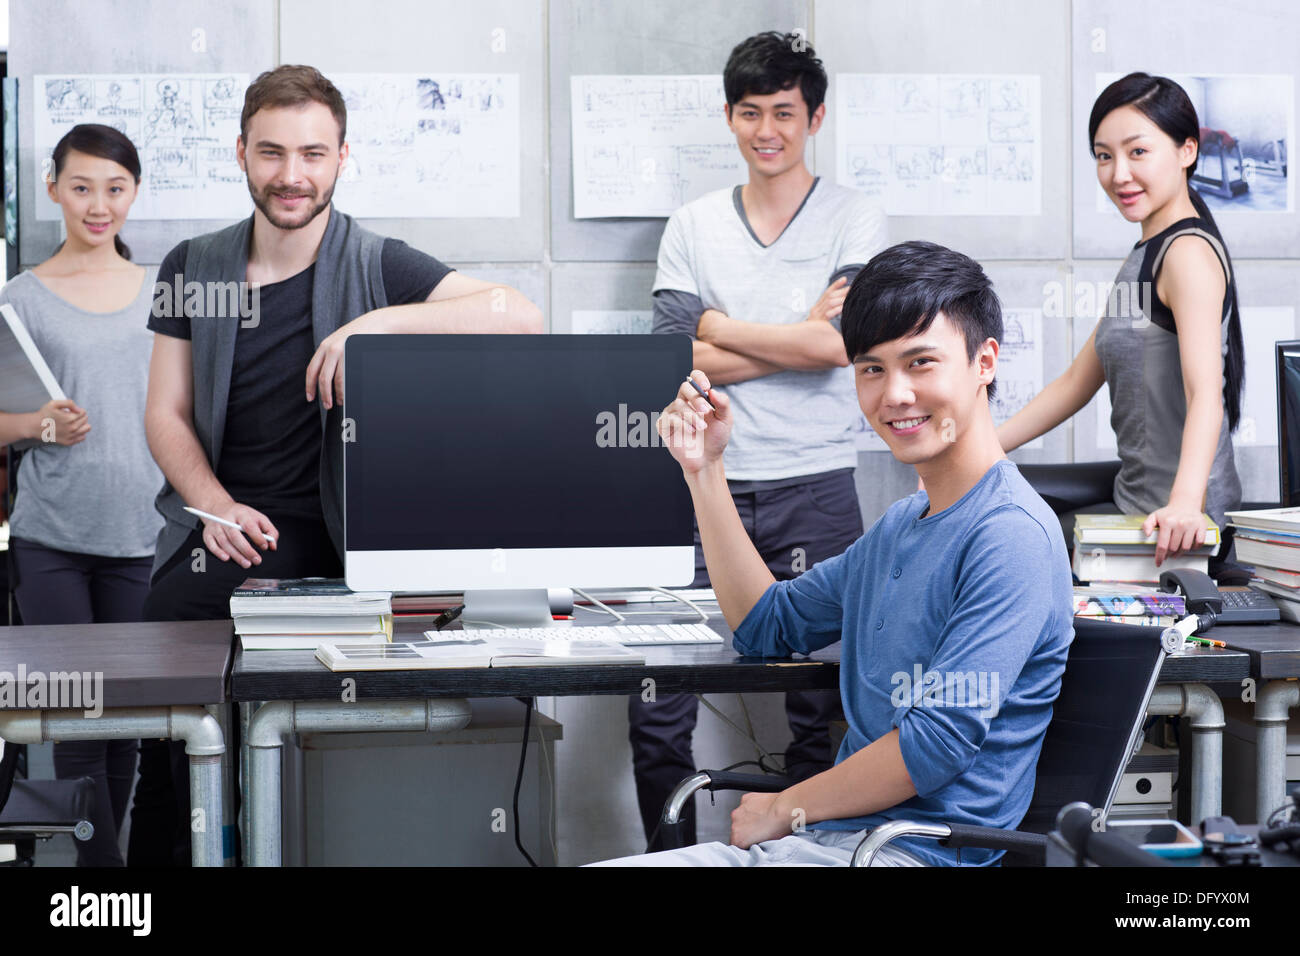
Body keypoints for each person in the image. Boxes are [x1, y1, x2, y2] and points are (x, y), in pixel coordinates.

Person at [130, 65, 543, 865]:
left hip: (339, 546)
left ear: (343, 157)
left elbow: (517, 316)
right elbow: (164, 413)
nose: (293, 175)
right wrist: (213, 505)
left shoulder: (377, 263)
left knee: (314, 755)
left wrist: (374, 329)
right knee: (175, 743)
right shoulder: (194, 266)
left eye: (313, 154)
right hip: (222, 535)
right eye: (273, 153)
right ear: (240, 153)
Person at [595, 241, 1074, 866]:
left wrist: (784, 805)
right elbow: (765, 625)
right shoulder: (903, 523)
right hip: (833, 844)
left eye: (921, 363)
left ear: (984, 361)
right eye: (871, 369)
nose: (894, 394)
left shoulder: (1009, 535)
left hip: (903, 855)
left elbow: (933, 746)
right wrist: (705, 471)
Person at [634, 31, 887, 849]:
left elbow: (844, 346)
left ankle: (804, 858)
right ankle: (669, 862)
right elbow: (670, 352)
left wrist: (720, 330)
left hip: (815, 489)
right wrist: (793, 333)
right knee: (657, 696)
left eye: (785, 111)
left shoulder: (856, 217)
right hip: (702, 484)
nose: (767, 129)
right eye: (751, 112)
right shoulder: (694, 224)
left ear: (815, 116)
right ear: (729, 116)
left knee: (824, 698)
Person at [997, 73, 1245, 578]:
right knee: (1002, 515)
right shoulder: (1145, 254)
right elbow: (1075, 383)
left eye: (1137, 152)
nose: (1119, 174)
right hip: (1133, 501)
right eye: (1104, 156)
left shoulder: (1187, 255)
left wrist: (1185, 504)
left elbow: (1206, 394)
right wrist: (980, 447)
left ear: (1186, 150)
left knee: (1009, 552)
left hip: (1171, 525)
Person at [0, 124, 160, 866]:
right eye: (83, 186)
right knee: (75, 721)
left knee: (126, 727)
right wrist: (38, 424)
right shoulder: (20, 298)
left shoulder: (167, 290)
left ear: (134, 192)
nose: (99, 205)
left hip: (145, 541)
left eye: (116, 187)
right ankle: (105, 888)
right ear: (54, 188)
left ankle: (110, 872)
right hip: (52, 542)